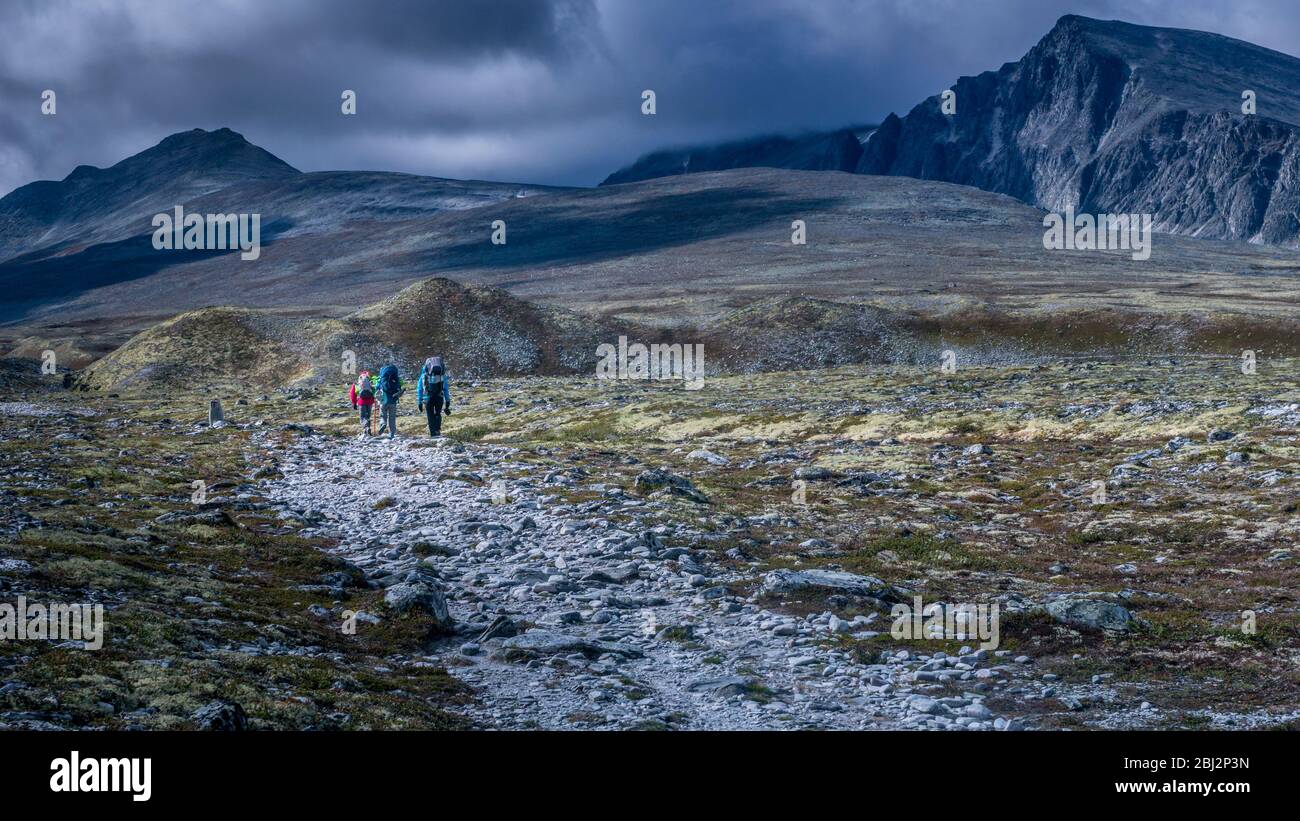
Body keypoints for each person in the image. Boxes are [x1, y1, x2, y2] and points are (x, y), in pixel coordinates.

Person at [416, 356, 452, 437]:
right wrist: (447, 401)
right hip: (439, 397)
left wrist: (419, 402)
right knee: (438, 414)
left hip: (428, 398)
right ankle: (437, 430)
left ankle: (433, 434)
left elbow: (420, 389)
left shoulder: (423, 376)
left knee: (430, 415)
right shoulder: (442, 376)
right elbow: (446, 389)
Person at [376, 364, 403, 439]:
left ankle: (383, 423)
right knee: (392, 418)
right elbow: (399, 388)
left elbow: (377, 388)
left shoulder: (381, 379)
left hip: (383, 401)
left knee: (382, 415)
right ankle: (392, 433)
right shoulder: (396, 379)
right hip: (393, 401)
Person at [349, 370, 376, 436]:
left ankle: (366, 428)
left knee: (363, 417)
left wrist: (354, 403)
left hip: (361, 402)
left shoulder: (357, 383)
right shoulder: (371, 382)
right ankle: (368, 429)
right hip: (370, 402)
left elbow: (352, 394)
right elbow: (375, 391)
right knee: (368, 416)